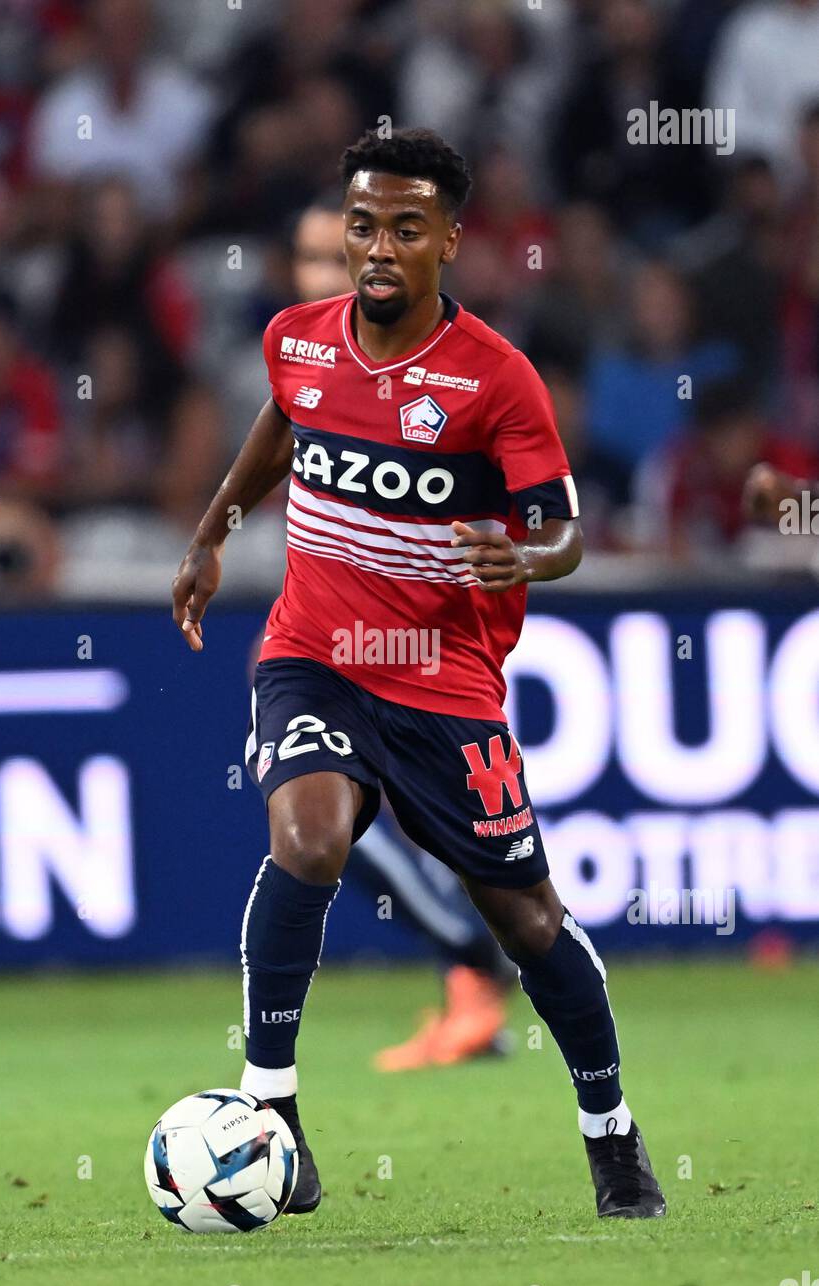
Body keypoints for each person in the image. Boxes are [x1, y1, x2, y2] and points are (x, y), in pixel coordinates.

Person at [171, 128, 666, 1221]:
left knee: (526, 920)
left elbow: (564, 530)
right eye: (361, 225)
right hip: (314, 654)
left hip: (443, 683)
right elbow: (283, 428)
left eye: (404, 226)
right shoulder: (296, 341)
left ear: (448, 237)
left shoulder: (495, 378)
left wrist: (522, 553)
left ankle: (610, 1131)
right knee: (305, 841)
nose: (378, 246)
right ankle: (272, 1114)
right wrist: (212, 531)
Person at [288, 195, 516, 1072]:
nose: (321, 276)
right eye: (307, 260)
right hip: (340, 617)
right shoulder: (306, 357)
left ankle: (473, 962)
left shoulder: (436, 366)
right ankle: (469, 977)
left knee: (387, 809)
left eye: (329, 257)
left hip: (426, 632)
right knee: (352, 805)